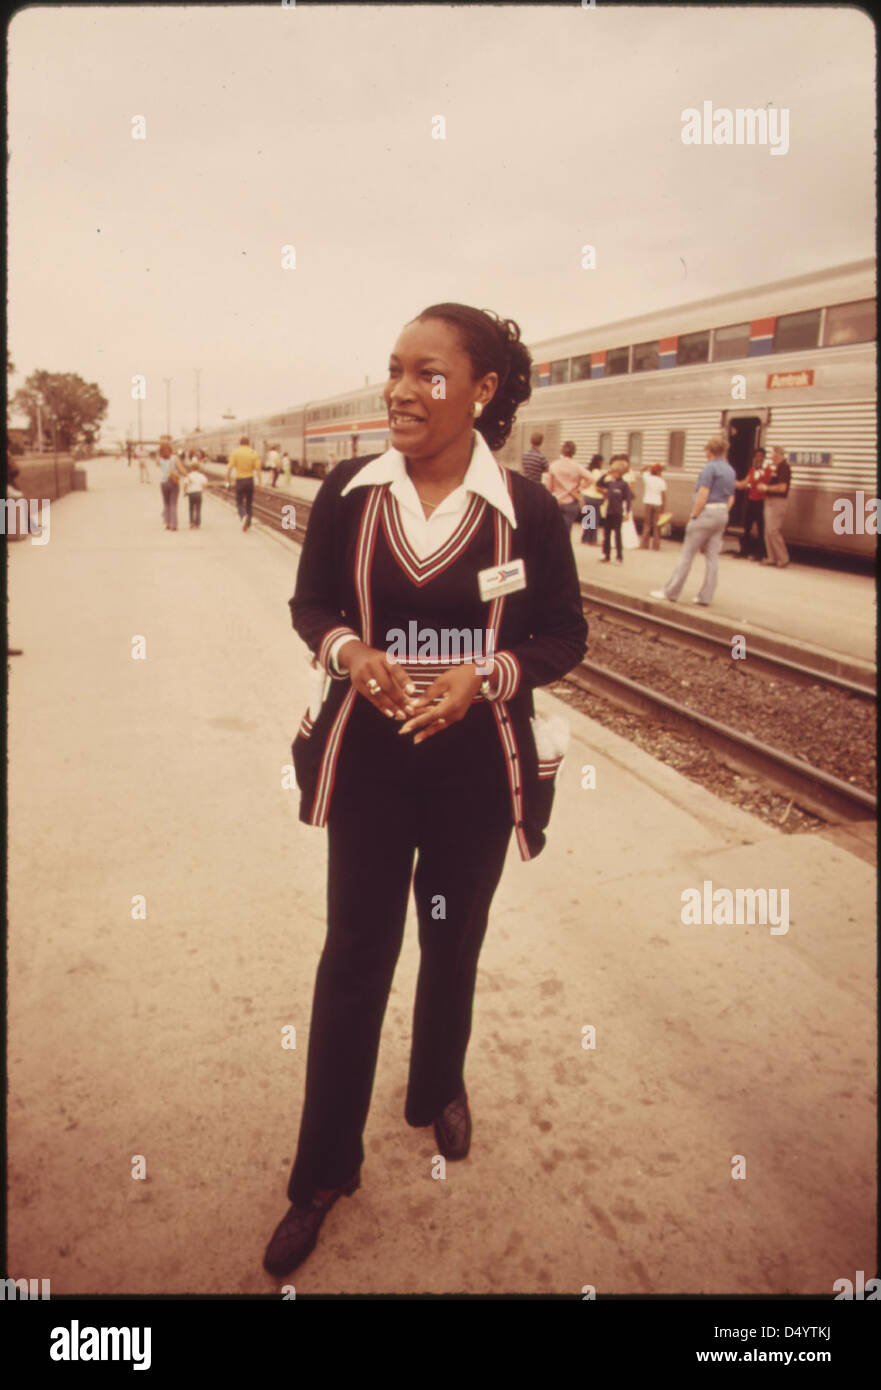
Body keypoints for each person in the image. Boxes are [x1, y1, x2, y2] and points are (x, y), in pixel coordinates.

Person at [263, 301, 588, 1279]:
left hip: (469, 779)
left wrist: (482, 677)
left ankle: (436, 1085)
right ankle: (321, 1171)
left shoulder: (525, 511)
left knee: (452, 939)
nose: (401, 390)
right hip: (368, 767)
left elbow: (562, 635)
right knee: (353, 953)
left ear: (480, 390)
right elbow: (309, 602)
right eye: (392, 371)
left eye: (427, 373)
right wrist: (349, 649)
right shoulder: (349, 495)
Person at [650, 438, 736, 605]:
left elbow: (703, 494)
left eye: (706, 451)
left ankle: (671, 592)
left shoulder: (709, 469)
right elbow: (731, 497)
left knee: (686, 555)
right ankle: (706, 597)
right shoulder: (730, 470)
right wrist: (723, 512)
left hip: (706, 514)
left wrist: (694, 515)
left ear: (710, 451)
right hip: (722, 514)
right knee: (712, 558)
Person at [547, 441, 592, 536]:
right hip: (571, 502)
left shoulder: (553, 465)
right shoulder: (577, 466)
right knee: (566, 533)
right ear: (574, 452)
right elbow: (591, 478)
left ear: (562, 451)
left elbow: (549, 487)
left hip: (556, 501)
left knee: (553, 531)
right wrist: (579, 489)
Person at [734, 447, 770, 559]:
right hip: (751, 501)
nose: (758, 458)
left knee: (761, 528)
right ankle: (744, 551)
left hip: (761, 502)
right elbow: (743, 483)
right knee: (747, 527)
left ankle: (760, 553)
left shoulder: (768, 470)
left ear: (764, 458)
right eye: (757, 456)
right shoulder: (752, 470)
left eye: (761, 456)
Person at [758, 445, 791, 567]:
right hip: (770, 501)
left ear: (777, 454)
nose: (771, 456)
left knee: (773, 530)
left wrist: (766, 487)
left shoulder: (784, 468)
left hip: (777, 502)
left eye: (772, 453)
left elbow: (783, 488)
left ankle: (783, 558)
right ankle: (771, 558)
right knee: (768, 531)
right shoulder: (777, 468)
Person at [596, 457, 633, 562]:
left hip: (618, 513)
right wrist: (606, 474)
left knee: (617, 535)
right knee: (606, 535)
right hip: (609, 512)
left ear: (619, 473)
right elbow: (599, 483)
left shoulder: (624, 485)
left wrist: (627, 512)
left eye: (614, 472)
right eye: (612, 472)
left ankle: (619, 556)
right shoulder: (610, 483)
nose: (613, 474)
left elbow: (628, 500)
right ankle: (606, 555)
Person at [226, 436, 262, 531]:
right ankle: (248, 523)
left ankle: (243, 515)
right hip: (250, 480)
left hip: (240, 480)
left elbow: (229, 468)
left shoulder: (235, 452)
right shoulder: (253, 452)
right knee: (249, 503)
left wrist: (228, 480)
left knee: (239, 502)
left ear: (240, 443)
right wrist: (260, 483)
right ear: (249, 443)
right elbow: (258, 469)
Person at [639, 464, 666, 550]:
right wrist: (663, 508)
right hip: (658, 504)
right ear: (658, 472)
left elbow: (642, 470)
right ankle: (656, 546)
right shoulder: (662, 481)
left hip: (648, 502)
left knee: (647, 524)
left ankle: (644, 545)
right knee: (656, 526)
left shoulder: (647, 478)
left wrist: (649, 466)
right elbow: (663, 495)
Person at [157, 440, 180, 531]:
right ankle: (174, 524)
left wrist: (160, 453)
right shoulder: (175, 458)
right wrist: (188, 475)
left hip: (163, 483)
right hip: (173, 482)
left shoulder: (160, 459)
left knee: (166, 503)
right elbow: (180, 468)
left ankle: (168, 523)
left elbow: (157, 462)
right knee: (173, 503)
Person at [184, 457, 207, 528]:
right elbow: (204, 484)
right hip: (198, 493)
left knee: (191, 508)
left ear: (191, 468)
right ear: (198, 469)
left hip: (191, 493)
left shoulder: (189, 475)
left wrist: (185, 491)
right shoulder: (201, 476)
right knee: (198, 508)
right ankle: (198, 523)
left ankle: (191, 522)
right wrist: (203, 490)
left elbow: (185, 484)